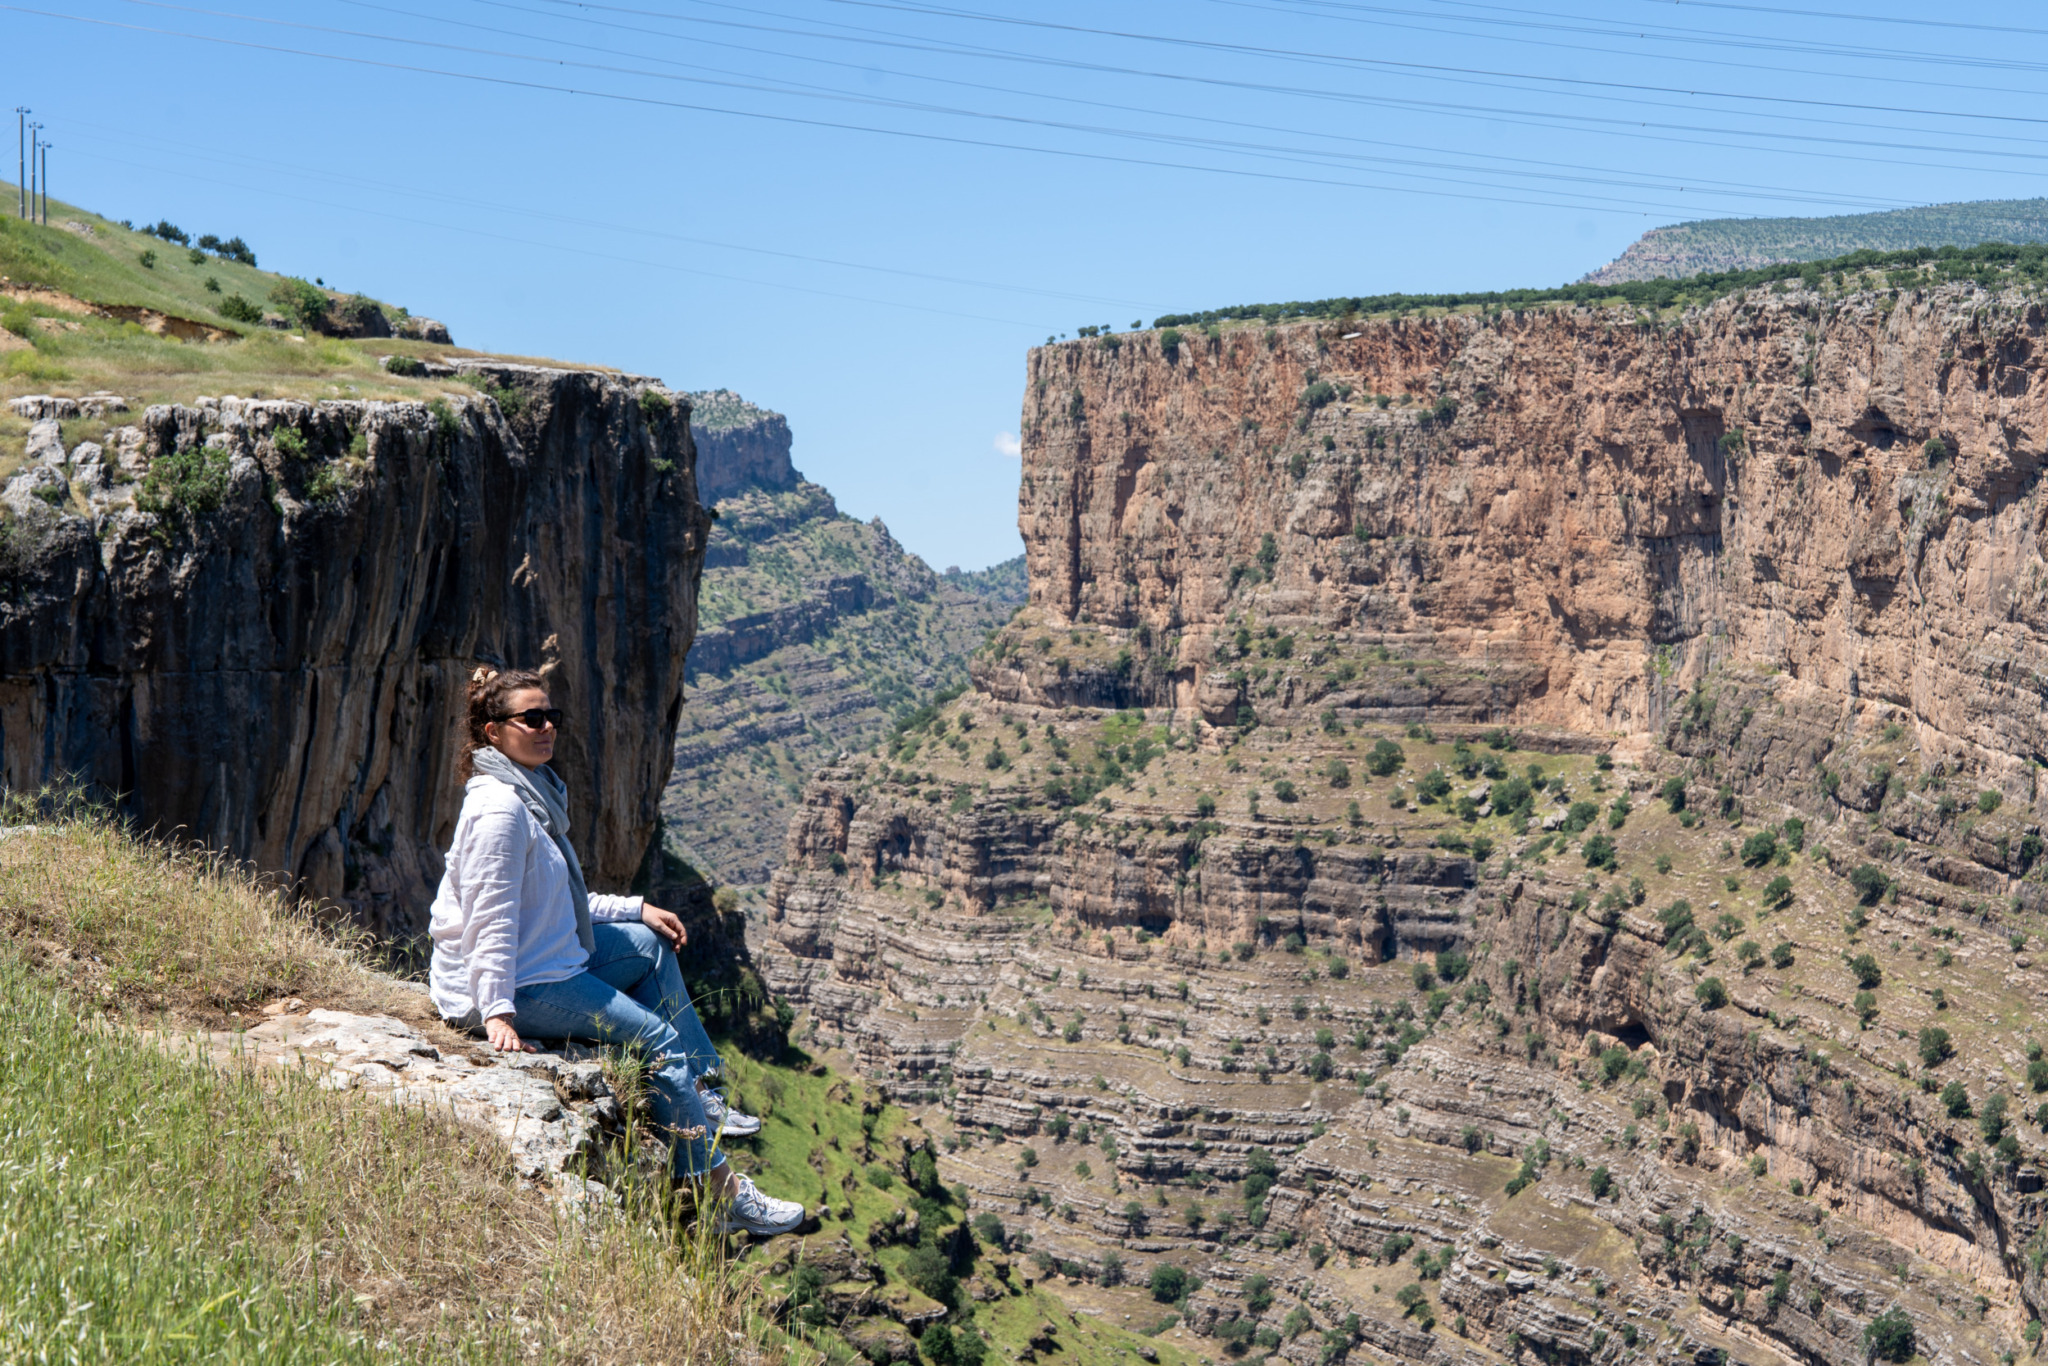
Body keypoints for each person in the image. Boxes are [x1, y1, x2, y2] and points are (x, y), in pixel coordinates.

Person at [428, 666, 804, 1236]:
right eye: (531, 718)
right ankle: (720, 1193)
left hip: (544, 957)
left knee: (650, 945)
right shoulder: (501, 812)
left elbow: (559, 902)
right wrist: (497, 1013)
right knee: (658, 1039)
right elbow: (489, 919)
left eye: (552, 715)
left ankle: (701, 1097)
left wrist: (637, 909)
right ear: (492, 732)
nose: (548, 725)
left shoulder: (532, 796)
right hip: (520, 983)